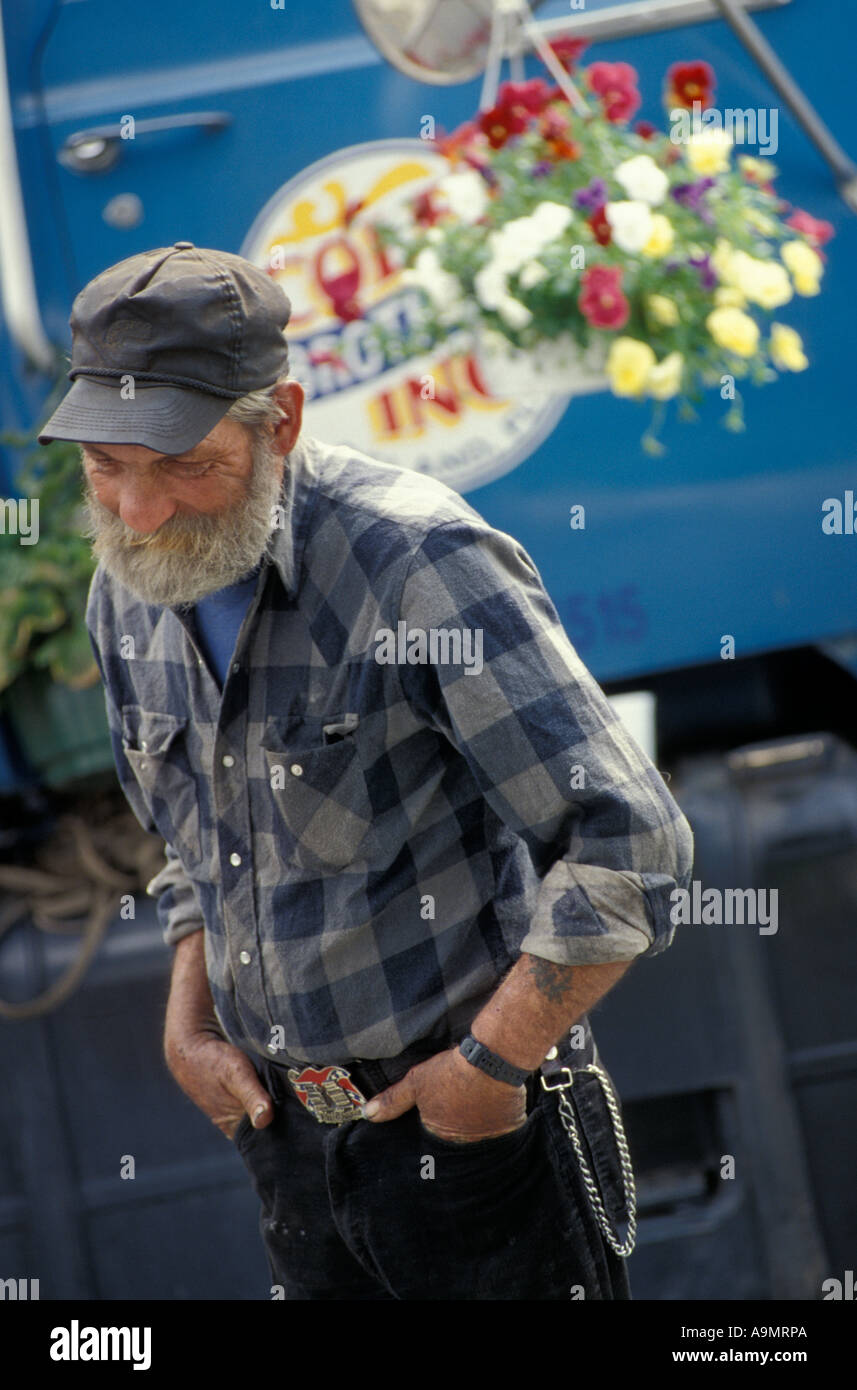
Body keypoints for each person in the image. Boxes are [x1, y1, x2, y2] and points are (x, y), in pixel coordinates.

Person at [39, 242, 694, 1301]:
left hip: (471, 1135)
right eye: (104, 464)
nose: (137, 510)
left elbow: (631, 839)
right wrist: (186, 1024)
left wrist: (486, 1071)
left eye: (181, 462)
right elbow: (190, 846)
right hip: (284, 1145)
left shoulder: (413, 563)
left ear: (281, 422)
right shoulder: (125, 593)